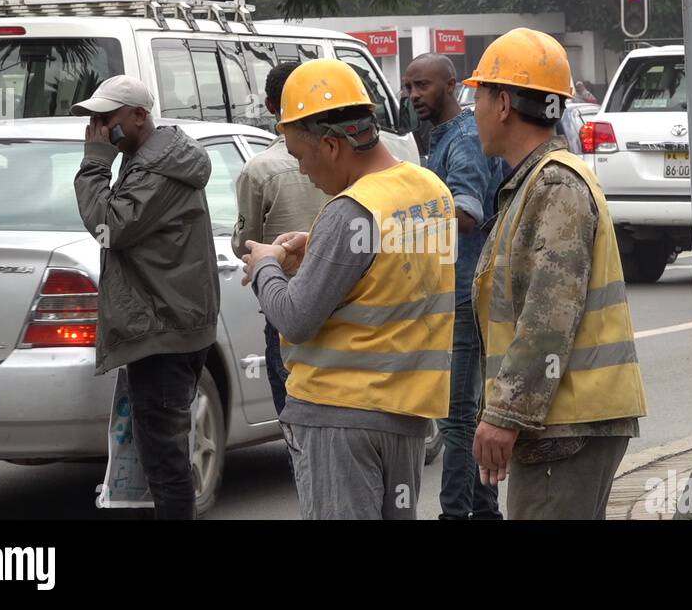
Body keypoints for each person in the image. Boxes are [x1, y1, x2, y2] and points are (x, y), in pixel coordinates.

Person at [241, 59, 455, 520]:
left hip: (339, 415)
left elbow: (296, 318)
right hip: (407, 415)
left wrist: (264, 267)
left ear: (333, 145)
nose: (303, 171)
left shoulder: (350, 210)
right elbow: (388, 268)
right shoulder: (429, 191)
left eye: (301, 156)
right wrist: (317, 246)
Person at [465, 29, 648, 520]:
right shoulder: (534, 183)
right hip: (560, 420)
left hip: (566, 422)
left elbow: (549, 313)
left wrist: (504, 414)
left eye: (478, 95)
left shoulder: (555, 185)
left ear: (503, 103)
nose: (473, 109)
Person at [73, 75, 220, 520]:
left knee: (166, 461)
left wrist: (94, 165)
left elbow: (109, 228)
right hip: (168, 324)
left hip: (163, 329)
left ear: (139, 116)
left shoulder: (156, 169)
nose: (99, 130)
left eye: (107, 119)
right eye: (94, 120)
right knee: (163, 456)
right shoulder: (149, 160)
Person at [403, 53, 505, 520]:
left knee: (458, 417)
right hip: (455, 290)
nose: (413, 96)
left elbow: (466, 214)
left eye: (422, 85)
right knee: (469, 413)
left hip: (465, 293)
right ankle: (484, 512)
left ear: (450, 85)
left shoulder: (462, 139)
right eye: (408, 87)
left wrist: (400, 222)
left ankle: (455, 514)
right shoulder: (443, 137)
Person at [233, 62, 330, 417]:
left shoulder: (259, 169)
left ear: (270, 106)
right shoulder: (351, 160)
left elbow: (246, 244)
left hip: (286, 309)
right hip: (344, 310)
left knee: (295, 421)